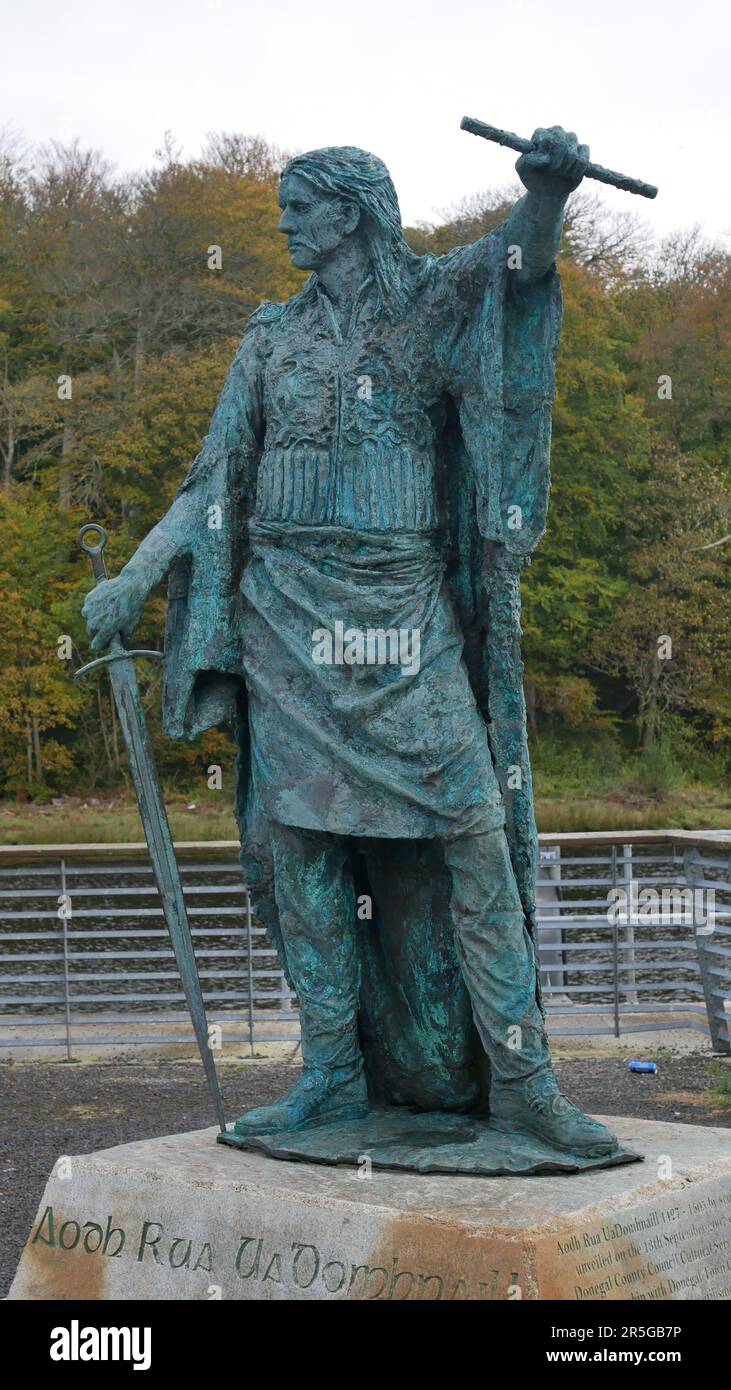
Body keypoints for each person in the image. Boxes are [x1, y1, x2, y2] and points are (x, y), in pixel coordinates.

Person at [83, 127, 620, 1161]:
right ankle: (330, 1073)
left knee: (469, 831)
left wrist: (545, 193)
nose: (283, 220)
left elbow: (517, 265)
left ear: (355, 211)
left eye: (300, 204)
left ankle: (522, 1083)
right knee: (300, 849)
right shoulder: (269, 340)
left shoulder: (429, 304)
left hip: (399, 615)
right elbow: (212, 483)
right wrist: (139, 574)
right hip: (284, 613)